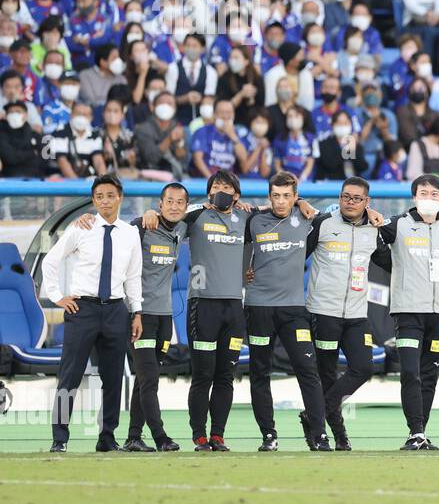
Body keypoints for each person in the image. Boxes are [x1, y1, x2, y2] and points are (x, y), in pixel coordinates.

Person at [138, 170, 248, 450]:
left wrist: (303, 203)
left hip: (234, 309)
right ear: (209, 192)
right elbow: (167, 216)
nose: (220, 190)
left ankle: (218, 435)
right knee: (203, 375)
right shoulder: (195, 217)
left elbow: (279, 211)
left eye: (226, 187)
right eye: (215, 186)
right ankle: (199, 435)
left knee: (226, 375)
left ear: (236, 194)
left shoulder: (247, 217)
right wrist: (149, 212)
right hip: (202, 306)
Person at [41, 174, 142, 452]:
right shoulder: (80, 228)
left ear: (119, 197)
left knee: (113, 379)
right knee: (69, 376)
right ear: (94, 200)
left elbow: (133, 276)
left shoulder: (130, 233)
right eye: (99, 197)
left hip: (115, 312)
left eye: (110, 195)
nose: (105, 201)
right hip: (82, 309)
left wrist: (137, 311)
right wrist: (58, 297)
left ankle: (107, 437)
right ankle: (59, 439)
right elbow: (50, 261)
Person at [376, 173, 439, 450]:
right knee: (411, 372)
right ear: (414, 196)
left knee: (429, 374)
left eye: (434, 194)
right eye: (423, 193)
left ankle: (421, 432)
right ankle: (414, 431)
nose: (429, 198)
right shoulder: (397, 224)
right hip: (407, 312)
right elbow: (372, 240)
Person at [243, 171, 329, 452]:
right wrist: (245, 267)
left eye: (287, 196)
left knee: (307, 369)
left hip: (293, 310)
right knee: (259, 372)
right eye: (276, 196)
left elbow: (339, 214)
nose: (281, 201)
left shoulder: (307, 220)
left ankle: (319, 434)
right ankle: (268, 435)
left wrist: (303, 203)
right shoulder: (253, 221)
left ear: (295, 197)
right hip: (258, 308)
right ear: (269, 196)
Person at [304, 176, 388, 450]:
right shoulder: (323, 223)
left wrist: (383, 224)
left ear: (367, 202)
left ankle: (315, 413)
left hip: (356, 315)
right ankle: (337, 436)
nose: (349, 203)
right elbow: (296, 254)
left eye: (356, 198)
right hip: (323, 312)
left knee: (363, 367)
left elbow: (391, 259)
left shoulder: (375, 230)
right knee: (326, 375)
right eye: (345, 197)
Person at [124, 182, 187, 452]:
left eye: (179, 202)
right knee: (149, 378)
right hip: (140, 317)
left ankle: (133, 437)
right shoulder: (142, 226)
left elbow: (209, 211)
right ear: (160, 204)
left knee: (145, 378)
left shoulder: (184, 227)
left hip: (164, 318)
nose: (174, 206)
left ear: (185, 207)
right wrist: (143, 216)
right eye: (168, 201)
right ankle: (161, 437)